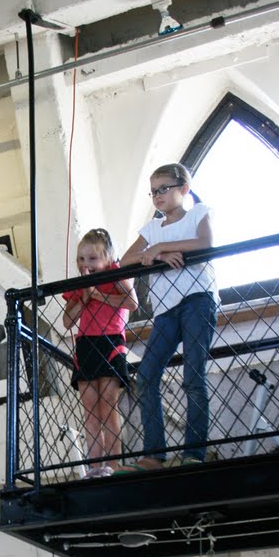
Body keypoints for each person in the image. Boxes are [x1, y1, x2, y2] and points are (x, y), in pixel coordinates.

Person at [117, 163, 217, 470]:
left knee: (193, 376)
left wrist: (162, 246)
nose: (157, 196)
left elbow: (204, 244)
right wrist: (158, 253)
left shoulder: (199, 213)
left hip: (198, 300)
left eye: (164, 189)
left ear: (183, 189)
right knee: (146, 376)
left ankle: (194, 453)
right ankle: (154, 454)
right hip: (165, 310)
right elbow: (125, 260)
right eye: (153, 191)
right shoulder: (150, 229)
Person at [62, 228, 137, 476]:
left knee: (108, 405)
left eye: (92, 259)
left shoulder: (115, 274)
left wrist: (98, 295)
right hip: (85, 344)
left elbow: (131, 302)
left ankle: (113, 464)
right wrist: (85, 297)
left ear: (107, 258)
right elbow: (66, 321)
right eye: (81, 259)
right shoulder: (81, 284)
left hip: (111, 340)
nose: (86, 264)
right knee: (90, 409)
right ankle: (95, 466)